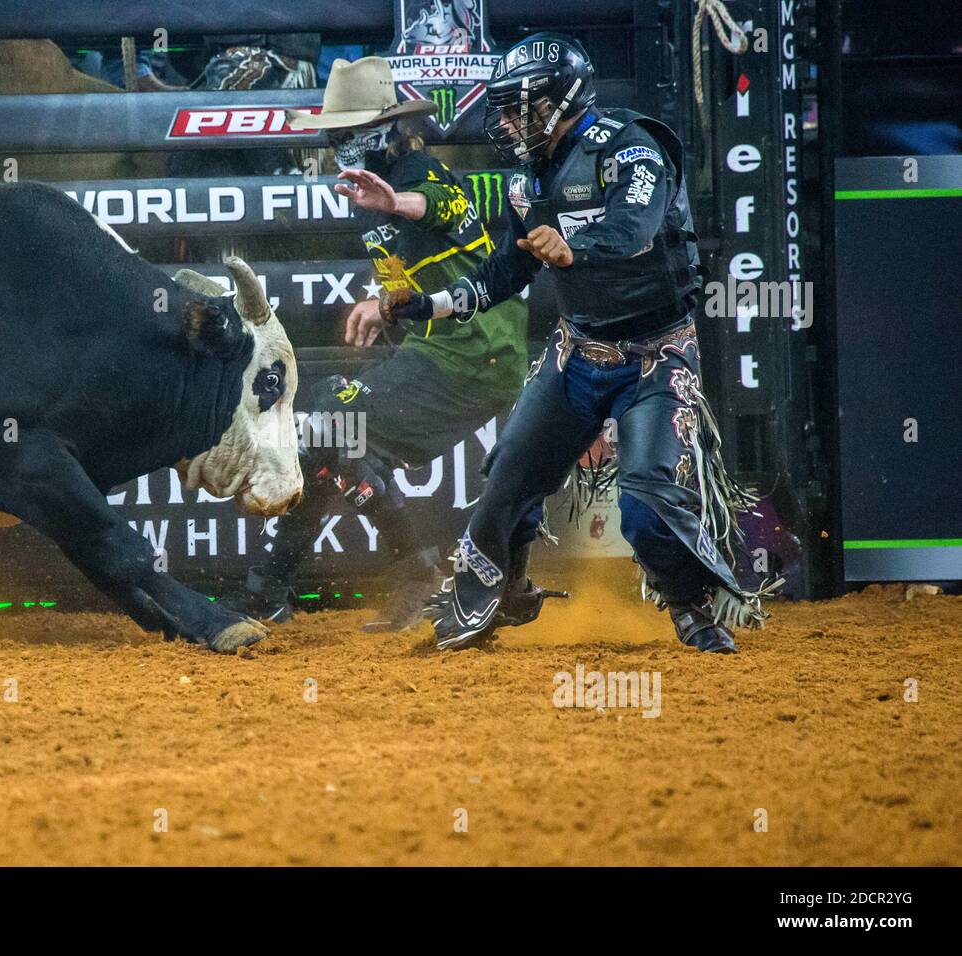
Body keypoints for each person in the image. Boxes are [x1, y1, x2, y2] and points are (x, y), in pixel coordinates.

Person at [383, 32, 775, 653]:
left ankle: (689, 604)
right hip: (576, 354)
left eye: (520, 107)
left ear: (557, 101)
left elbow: (635, 226)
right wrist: (428, 304)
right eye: (505, 109)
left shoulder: (631, 149)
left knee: (646, 495)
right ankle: (501, 593)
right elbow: (503, 273)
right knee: (509, 473)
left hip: (655, 354)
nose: (508, 122)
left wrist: (575, 249)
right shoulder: (526, 180)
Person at [225, 57, 532, 630]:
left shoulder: (418, 177)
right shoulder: (376, 189)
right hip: (448, 351)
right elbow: (416, 260)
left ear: (385, 132)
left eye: (349, 134)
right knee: (328, 437)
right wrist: (379, 299)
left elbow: (443, 205)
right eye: (335, 135)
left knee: (325, 423)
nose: (339, 145)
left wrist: (395, 203)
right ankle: (267, 593)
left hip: (474, 355)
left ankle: (412, 577)